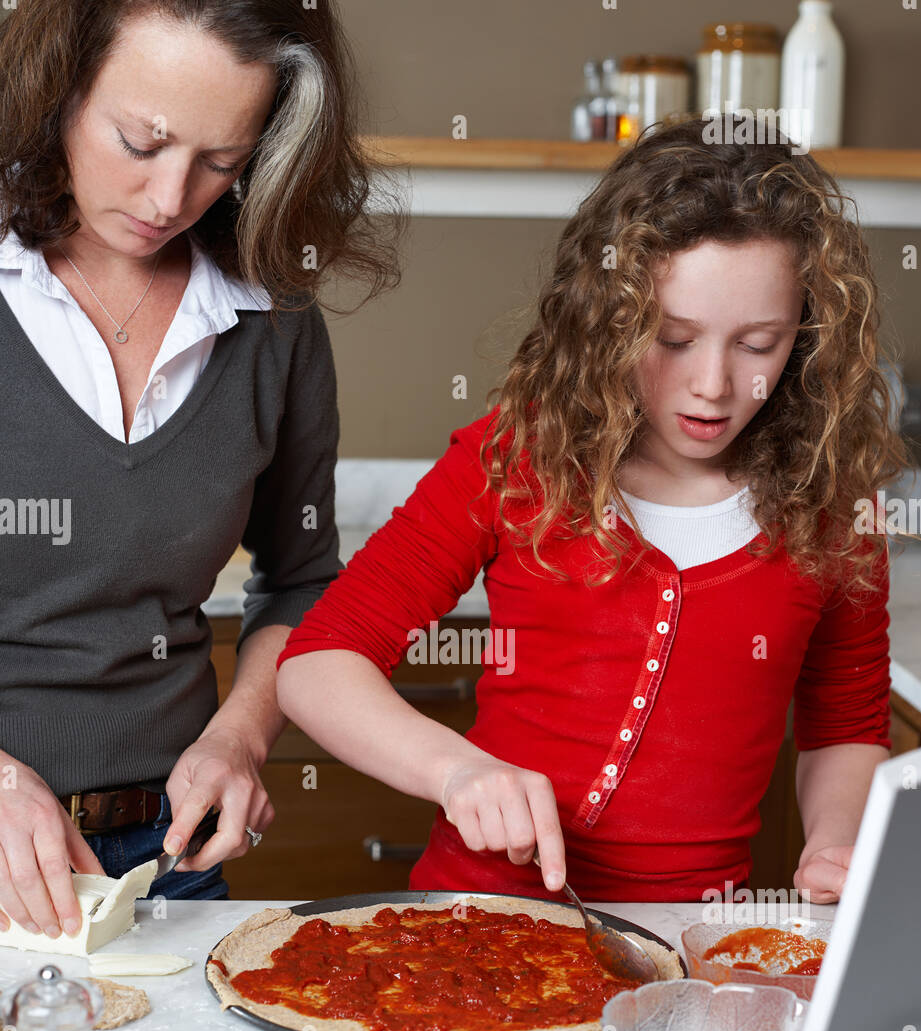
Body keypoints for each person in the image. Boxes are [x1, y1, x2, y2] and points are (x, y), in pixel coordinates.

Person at [276, 117, 907, 907]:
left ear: (805, 336)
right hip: (486, 916)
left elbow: (844, 726)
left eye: (758, 343)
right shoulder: (518, 459)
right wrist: (455, 770)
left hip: (690, 943)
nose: (712, 383)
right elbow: (316, 663)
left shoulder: (832, 501)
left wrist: (836, 844)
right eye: (672, 338)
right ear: (610, 316)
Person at [0, 0, 401, 940]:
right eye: (141, 141)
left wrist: (238, 738)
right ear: (55, 89)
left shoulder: (274, 318)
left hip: (164, 865)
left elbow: (300, 582)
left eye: (221, 162)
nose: (169, 199)